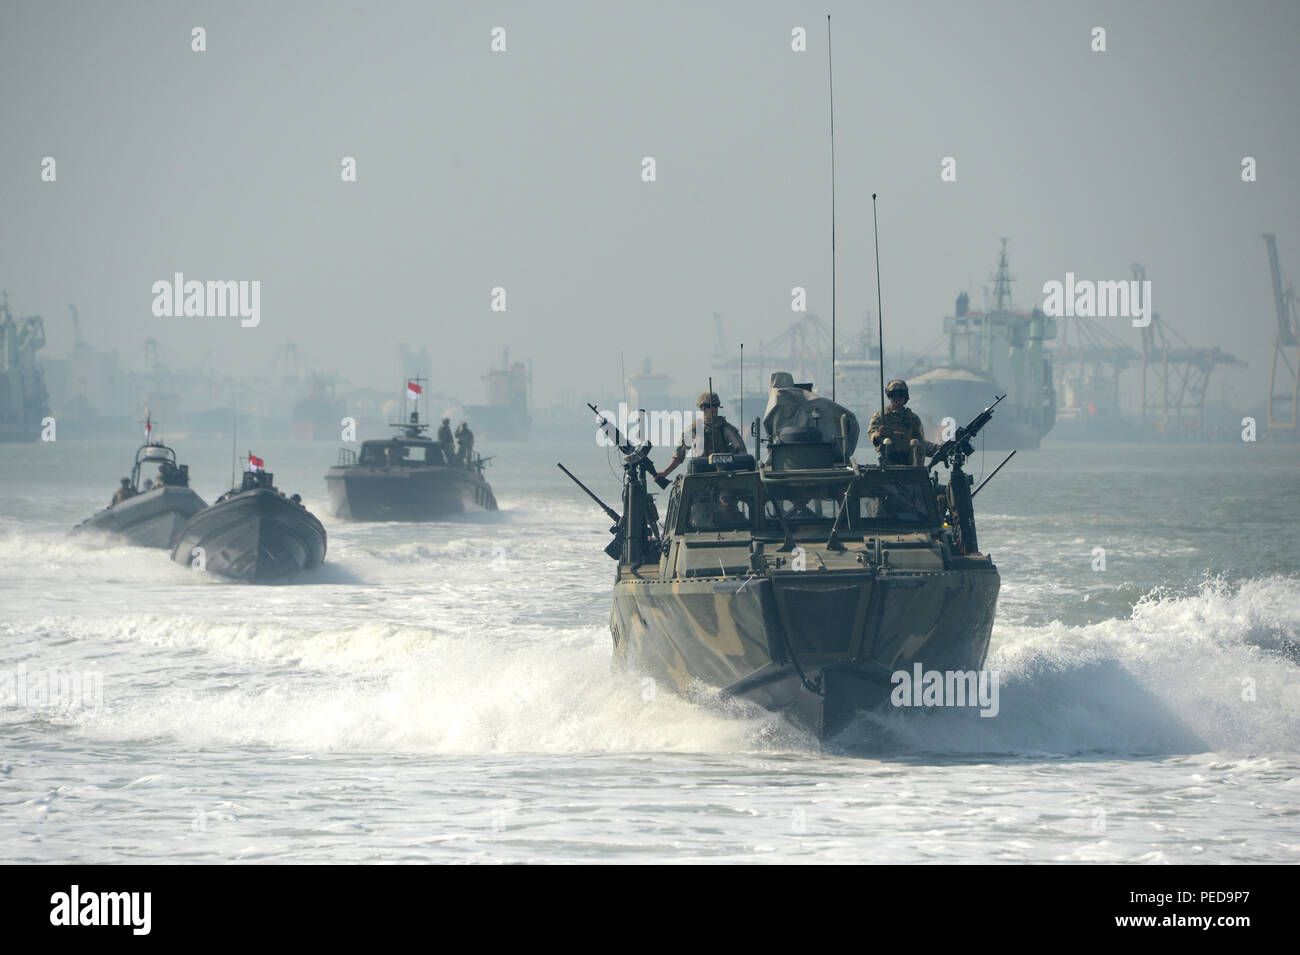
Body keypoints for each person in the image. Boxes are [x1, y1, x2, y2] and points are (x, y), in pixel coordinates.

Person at [657, 392, 745, 480]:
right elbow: (679, 455)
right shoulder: (693, 430)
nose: (714, 409)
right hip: (699, 475)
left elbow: (742, 451)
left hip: (723, 474)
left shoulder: (725, 428)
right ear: (702, 408)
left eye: (716, 405)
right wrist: (665, 473)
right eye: (710, 406)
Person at [867, 379, 939, 465]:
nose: (897, 398)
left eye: (900, 395)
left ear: (905, 396)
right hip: (888, 462)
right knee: (887, 441)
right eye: (893, 395)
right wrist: (878, 434)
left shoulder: (913, 419)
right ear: (889, 396)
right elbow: (872, 433)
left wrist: (938, 449)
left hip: (910, 463)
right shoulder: (880, 417)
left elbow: (921, 442)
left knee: (915, 443)